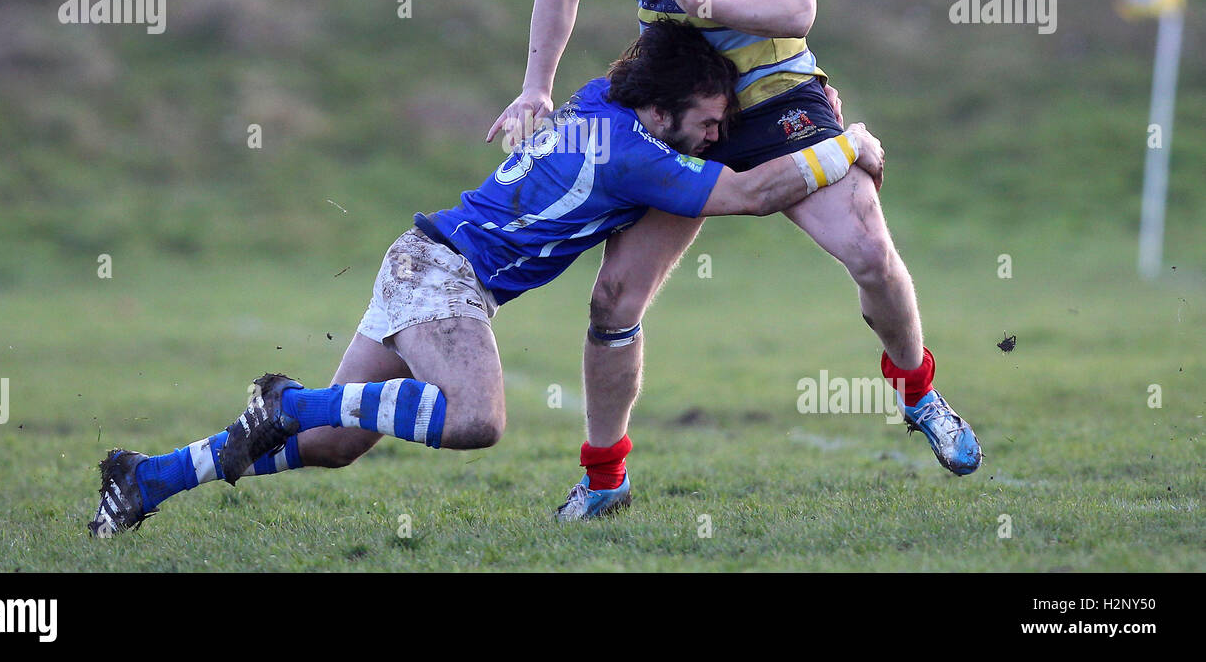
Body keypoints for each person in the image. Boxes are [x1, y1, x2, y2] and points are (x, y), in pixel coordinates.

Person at [88, 26, 884, 536]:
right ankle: (285, 401)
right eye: (709, 121)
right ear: (658, 112)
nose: (718, 136)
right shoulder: (636, 155)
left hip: (422, 258)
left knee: (332, 448)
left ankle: (146, 478)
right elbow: (747, 193)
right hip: (443, 275)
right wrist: (842, 144)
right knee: (477, 419)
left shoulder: (603, 101)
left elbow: (696, 146)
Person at [486, 0, 981, 517]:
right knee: (614, 300)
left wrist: (709, 6)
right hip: (677, 106)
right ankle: (604, 482)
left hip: (775, 88)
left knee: (871, 253)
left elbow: (798, 7)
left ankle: (919, 392)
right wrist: (533, 89)